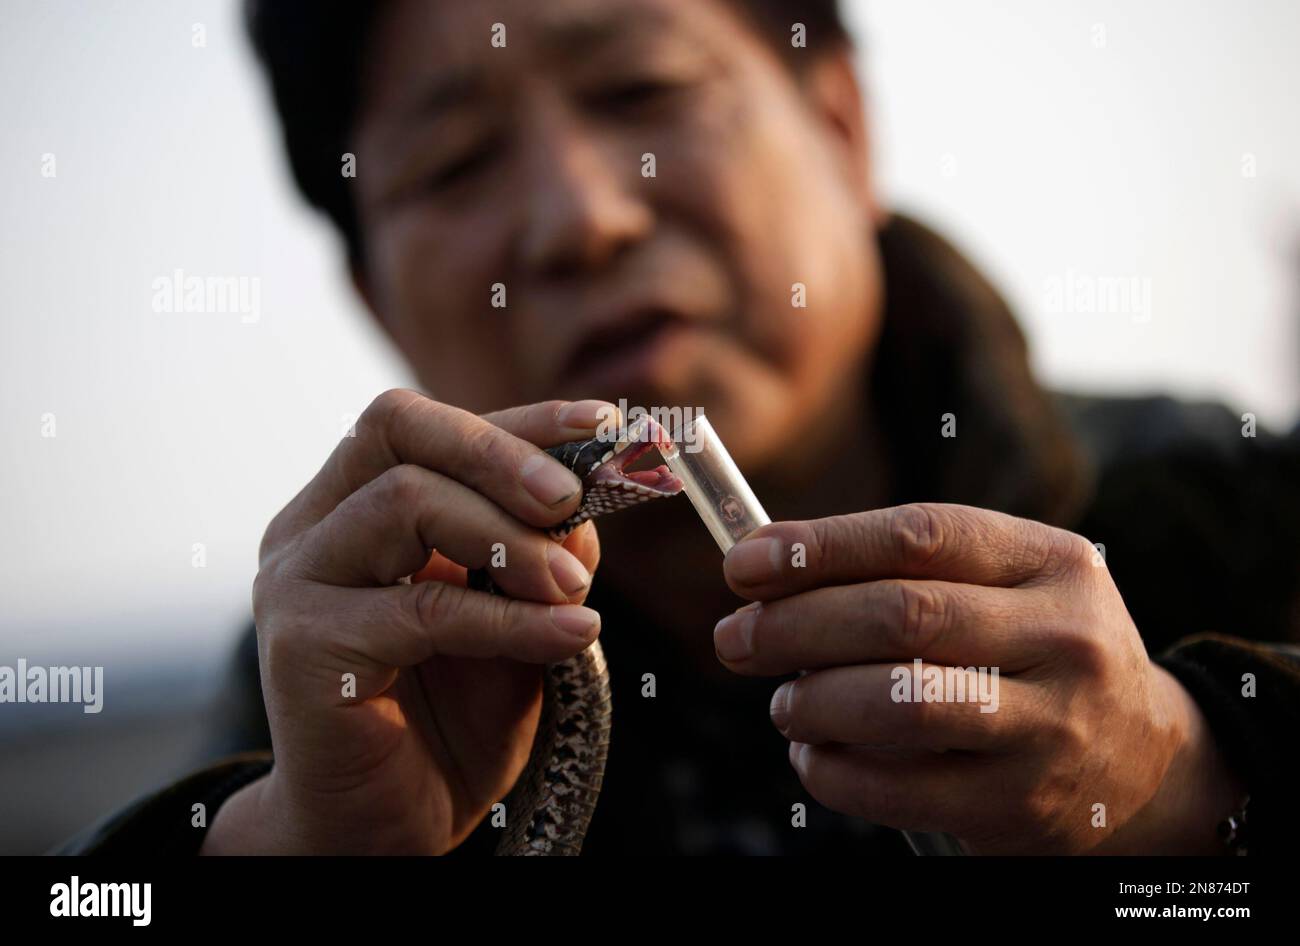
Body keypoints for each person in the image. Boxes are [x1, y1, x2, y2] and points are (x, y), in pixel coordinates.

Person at [56, 0, 1300, 856]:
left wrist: (1186, 780)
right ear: (378, 299)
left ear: (840, 125)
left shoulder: (1233, 508)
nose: (579, 219)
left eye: (639, 90)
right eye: (453, 165)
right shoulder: (348, 687)